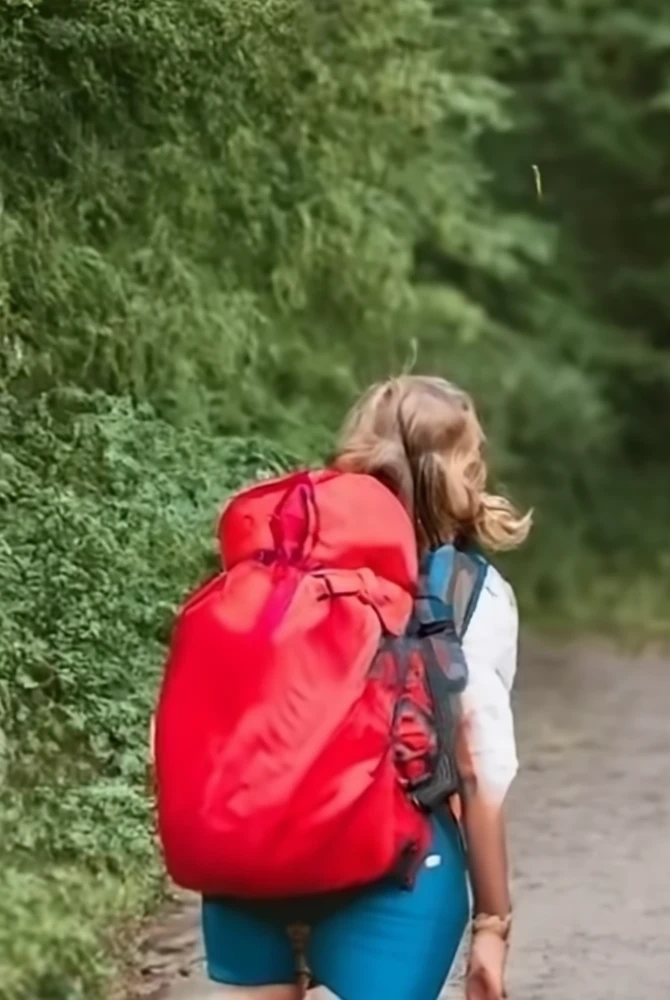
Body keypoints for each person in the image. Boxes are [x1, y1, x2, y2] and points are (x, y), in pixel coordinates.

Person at [177, 375, 530, 1000]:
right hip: (394, 876)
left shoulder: (275, 562)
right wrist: (492, 926)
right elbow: (480, 773)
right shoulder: (472, 596)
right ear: (462, 471)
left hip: (248, 865)